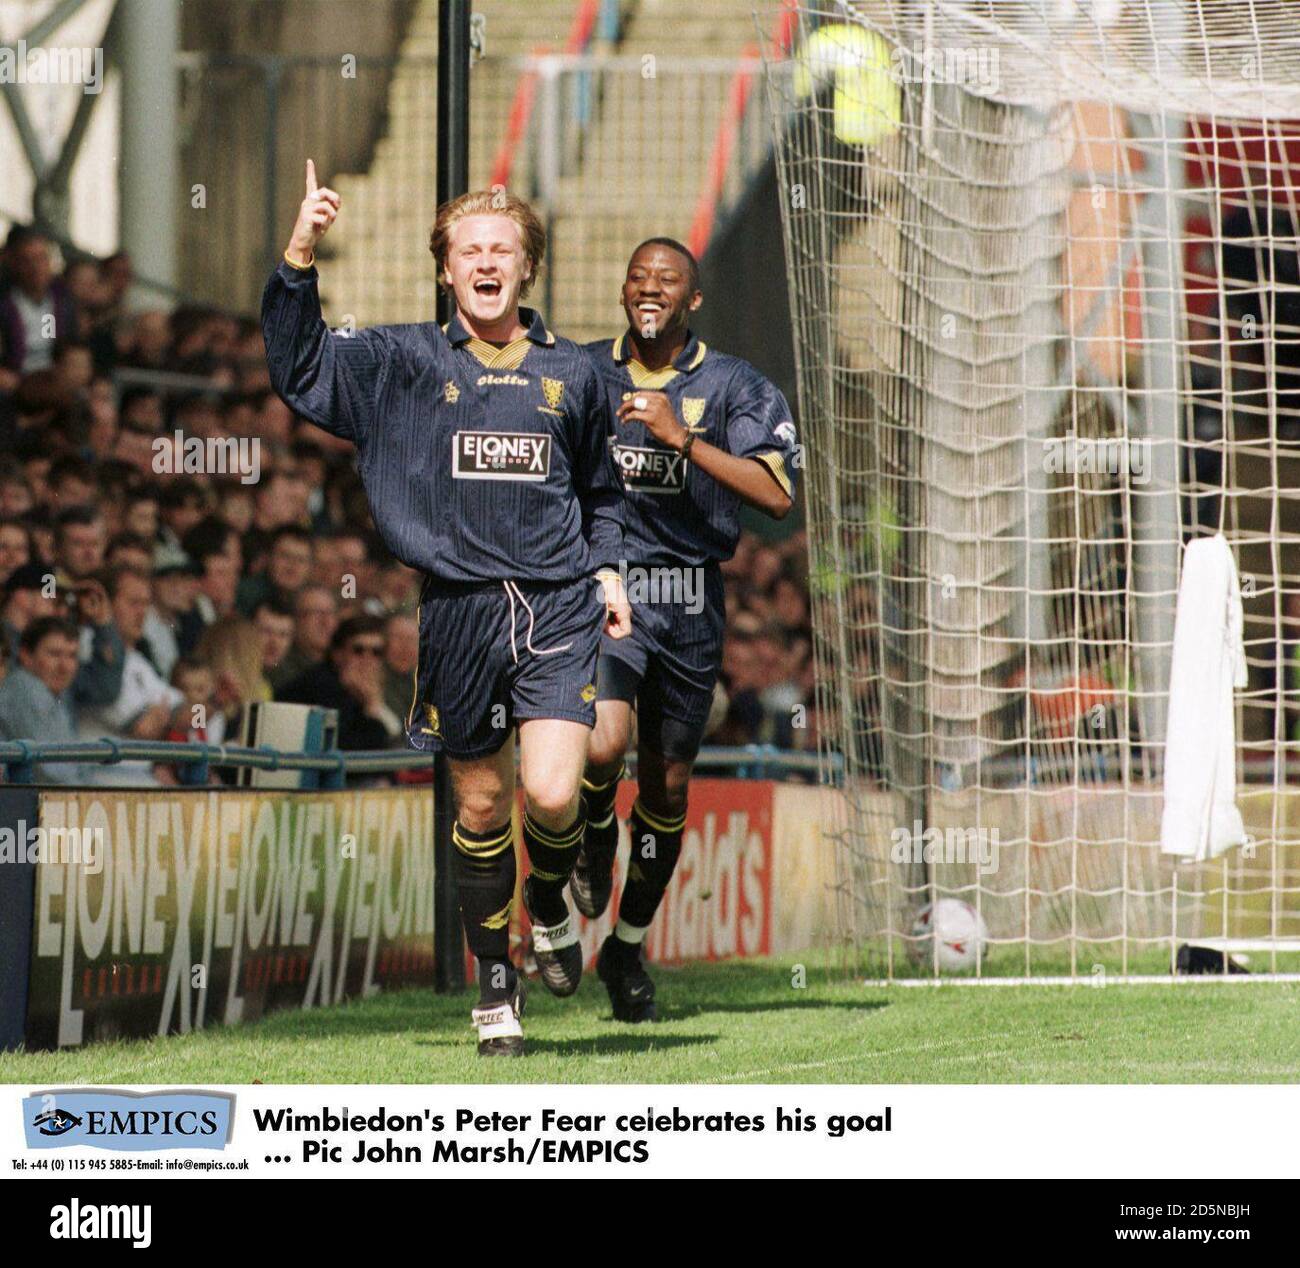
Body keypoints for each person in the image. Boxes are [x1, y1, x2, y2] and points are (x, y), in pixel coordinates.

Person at [262, 166, 629, 1056]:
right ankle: (495, 993)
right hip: (459, 610)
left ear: (528, 269)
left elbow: (602, 485)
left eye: (503, 249)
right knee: (478, 805)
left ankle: (548, 903)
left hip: (555, 603)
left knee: (549, 791)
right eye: (470, 251)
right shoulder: (402, 363)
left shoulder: (576, 371)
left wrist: (611, 569)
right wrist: (300, 253)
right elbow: (301, 367)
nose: (487, 262)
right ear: (446, 271)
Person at [578, 238, 798, 1021]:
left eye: (667, 281)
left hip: (690, 599)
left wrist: (684, 439)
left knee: (668, 789)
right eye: (637, 277)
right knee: (601, 741)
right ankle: (594, 828)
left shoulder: (735, 384)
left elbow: (775, 496)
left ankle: (627, 946)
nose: (650, 289)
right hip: (608, 590)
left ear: (691, 300)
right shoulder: (582, 371)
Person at [278, 614, 401, 751]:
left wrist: (373, 703)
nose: (368, 659)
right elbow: (359, 752)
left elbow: (397, 735)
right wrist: (372, 707)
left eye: (376, 652)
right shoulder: (319, 687)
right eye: (358, 650)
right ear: (338, 654)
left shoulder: (369, 690)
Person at [0, 616, 93, 784]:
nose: (65, 667)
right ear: (26, 655)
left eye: (72, 656)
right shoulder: (24, 687)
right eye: (54, 654)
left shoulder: (56, 693)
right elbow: (48, 771)